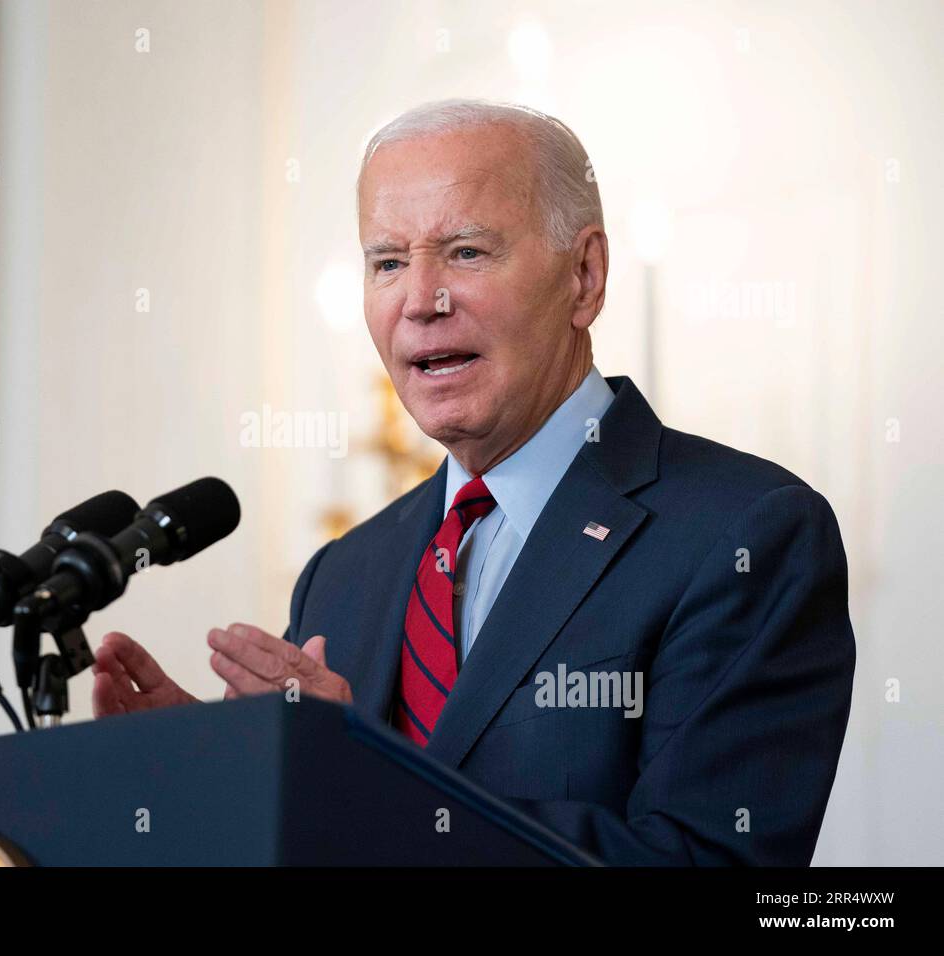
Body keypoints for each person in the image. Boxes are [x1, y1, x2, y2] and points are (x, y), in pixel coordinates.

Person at [90, 99, 856, 866]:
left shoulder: (747, 533)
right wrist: (226, 784)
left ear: (584, 278)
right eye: (387, 262)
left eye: (466, 252)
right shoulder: (343, 573)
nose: (422, 301)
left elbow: (706, 861)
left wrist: (366, 782)